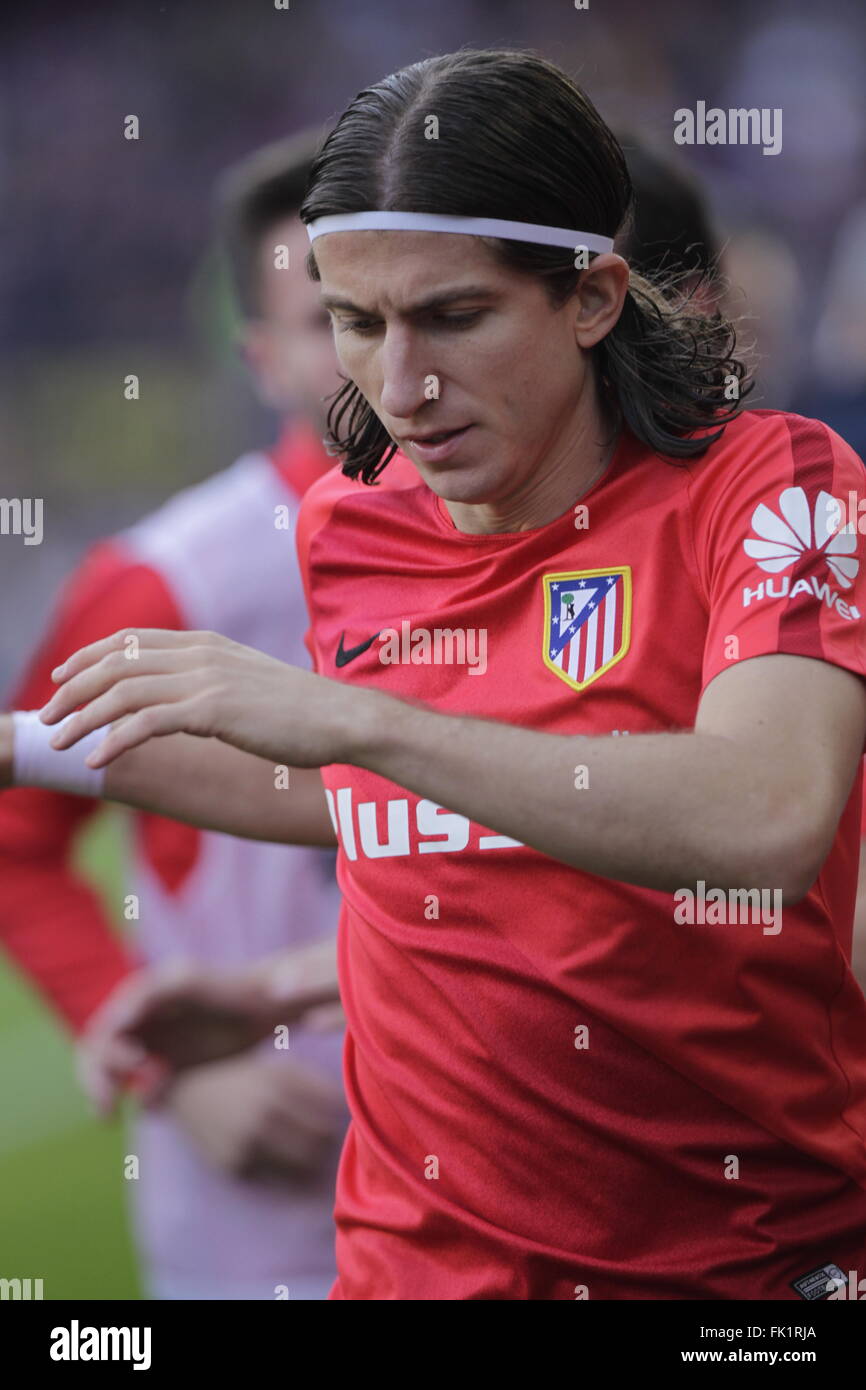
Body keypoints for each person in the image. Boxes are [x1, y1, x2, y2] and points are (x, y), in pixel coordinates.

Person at [5, 47, 866, 1302]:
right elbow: (405, 800)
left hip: (734, 1277)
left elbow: (766, 813)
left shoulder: (777, 490)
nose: (398, 386)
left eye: (453, 316)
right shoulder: (351, 528)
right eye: (355, 323)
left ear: (591, 294)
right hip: (411, 1273)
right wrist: (31, 749)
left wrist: (352, 718)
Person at [0, 128, 356, 1301]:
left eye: (391, 304)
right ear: (260, 358)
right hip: (277, 1173)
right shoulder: (169, 578)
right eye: (325, 318)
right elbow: (16, 840)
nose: (370, 349)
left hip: (515, 1141)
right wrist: (175, 1071)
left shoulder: (547, 548)